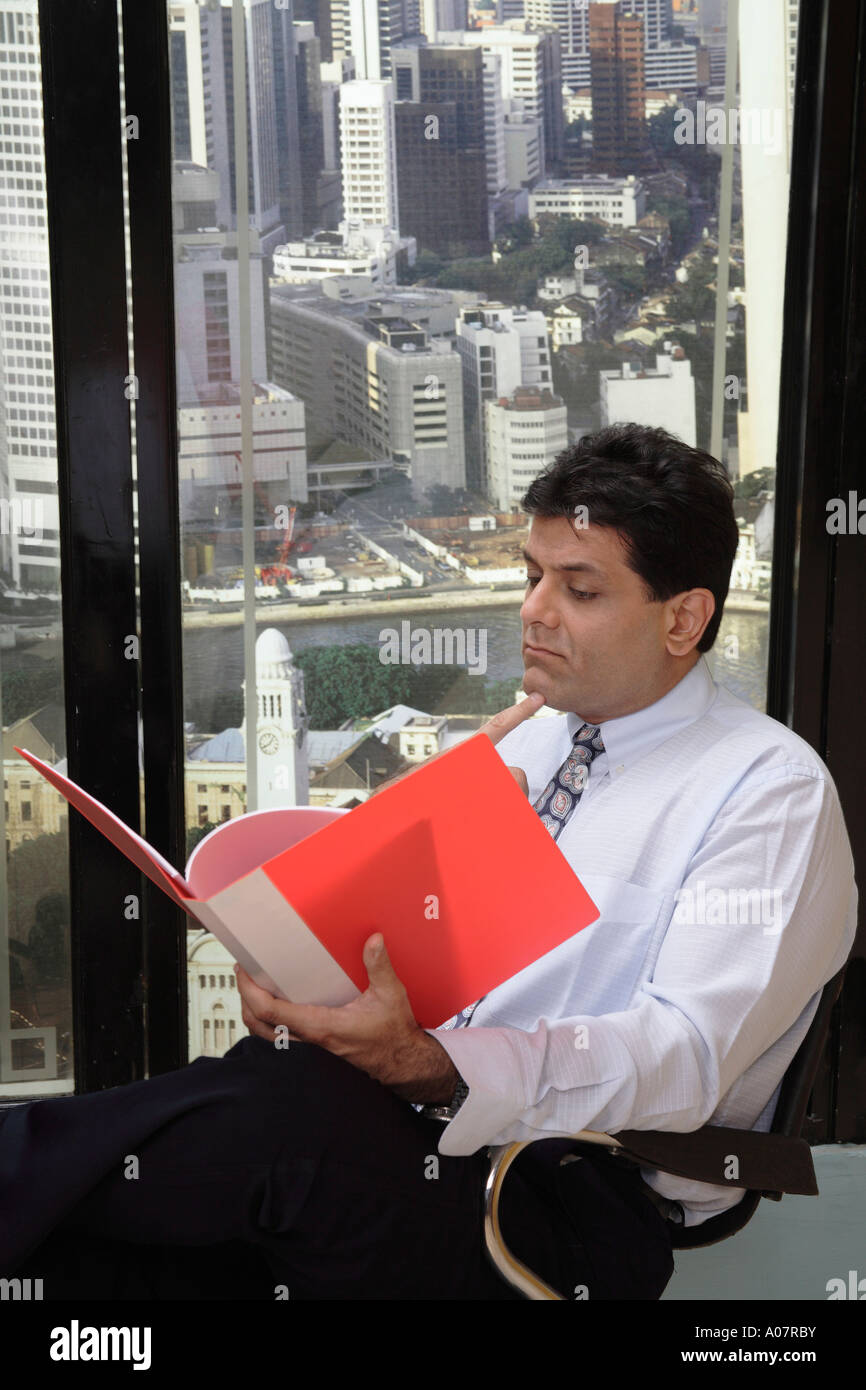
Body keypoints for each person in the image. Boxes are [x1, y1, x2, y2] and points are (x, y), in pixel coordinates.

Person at [1, 423, 857, 1301]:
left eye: (581, 589)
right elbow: (408, 943)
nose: (531, 610)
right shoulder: (529, 739)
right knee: (84, 1258)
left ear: (684, 618)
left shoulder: (769, 792)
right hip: (393, 1136)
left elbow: (682, 1058)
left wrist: (440, 1065)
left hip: (554, 1200)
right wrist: (299, 972)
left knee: (283, 1120)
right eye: (532, 577)